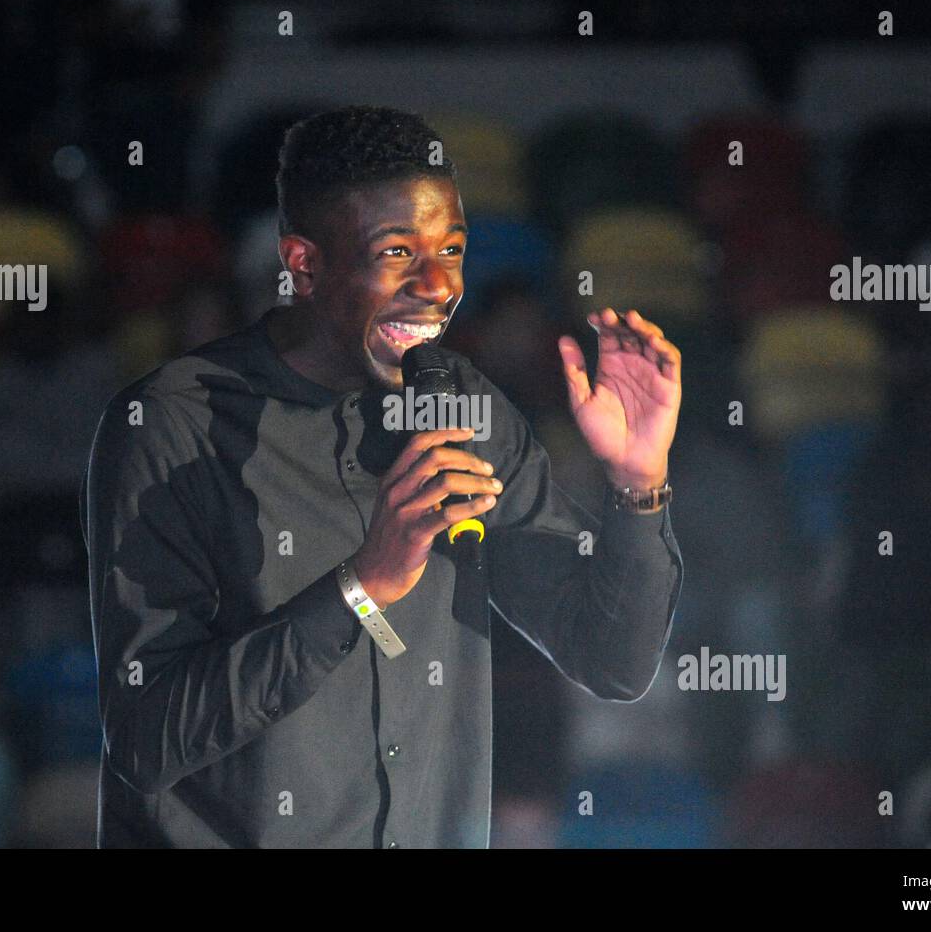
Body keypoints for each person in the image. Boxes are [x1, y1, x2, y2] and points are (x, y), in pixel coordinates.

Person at [80, 105, 685, 848]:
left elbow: (612, 659)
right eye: (399, 252)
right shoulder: (171, 425)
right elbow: (146, 739)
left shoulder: (463, 411)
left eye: (453, 249)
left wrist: (637, 487)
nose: (438, 286)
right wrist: (359, 588)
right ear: (304, 263)